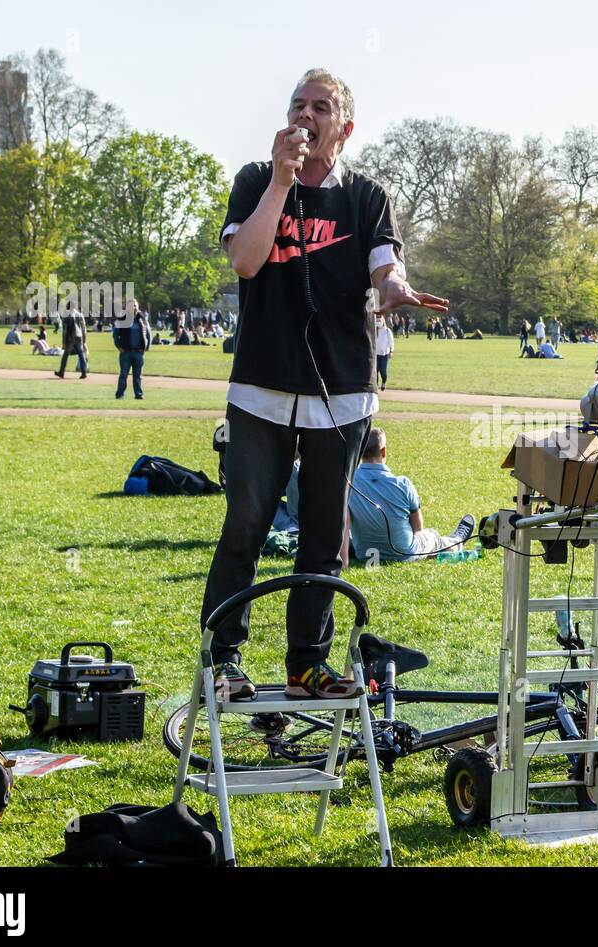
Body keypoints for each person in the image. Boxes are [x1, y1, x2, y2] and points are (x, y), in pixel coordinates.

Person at [201, 67, 448, 701]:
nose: (306, 115)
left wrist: (394, 289)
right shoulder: (257, 180)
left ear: (345, 127)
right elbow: (247, 260)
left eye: (320, 107)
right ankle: (223, 660)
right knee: (247, 522)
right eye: (297, 105)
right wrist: (283, 181)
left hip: (341, 389)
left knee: (322, 533)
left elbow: (385, 265)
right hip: (261, 386)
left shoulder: (367, 197)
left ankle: (306, 663)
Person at [348, 428, 474, 563]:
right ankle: (457, 541)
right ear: (383, 451)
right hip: (404, 554)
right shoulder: (403, 484)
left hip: (365, 554)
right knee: (431, 536)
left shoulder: (348, 483)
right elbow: (418, 529)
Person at [113, 299, 152, 399]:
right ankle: (120, 394)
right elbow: (115, 334)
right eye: (131, 306)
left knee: (138, 376)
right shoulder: (122, 319)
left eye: (135, 306)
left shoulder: (143, 319)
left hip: (139, 353)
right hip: (126, 352)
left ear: (137, 307)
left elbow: (148, 334)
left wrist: (146, 347)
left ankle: (138, 394)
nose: (133, 308)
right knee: (123, 374)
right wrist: (119, 347)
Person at [57, 309, 88, 379]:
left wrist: (63, 343)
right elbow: (84, 329)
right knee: (81, 355)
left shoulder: (66, 316)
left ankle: (61, 372)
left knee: (65, 355)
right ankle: (84, 372)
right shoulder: (80, 314)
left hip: (70, 337)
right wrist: (84, 341)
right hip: (79, 337)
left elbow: (64, 331)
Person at [375, 313, 394, 389]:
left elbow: (391, 342)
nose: (378, 321)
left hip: (384, 355)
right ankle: (375, 386)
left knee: (383, 371)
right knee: (375, 372)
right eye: (377, 319)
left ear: (383, 320)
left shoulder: (387, 331)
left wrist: (391, 351)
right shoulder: (373, 330)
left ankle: (383, 382)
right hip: (375, 355)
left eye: (380, 319)